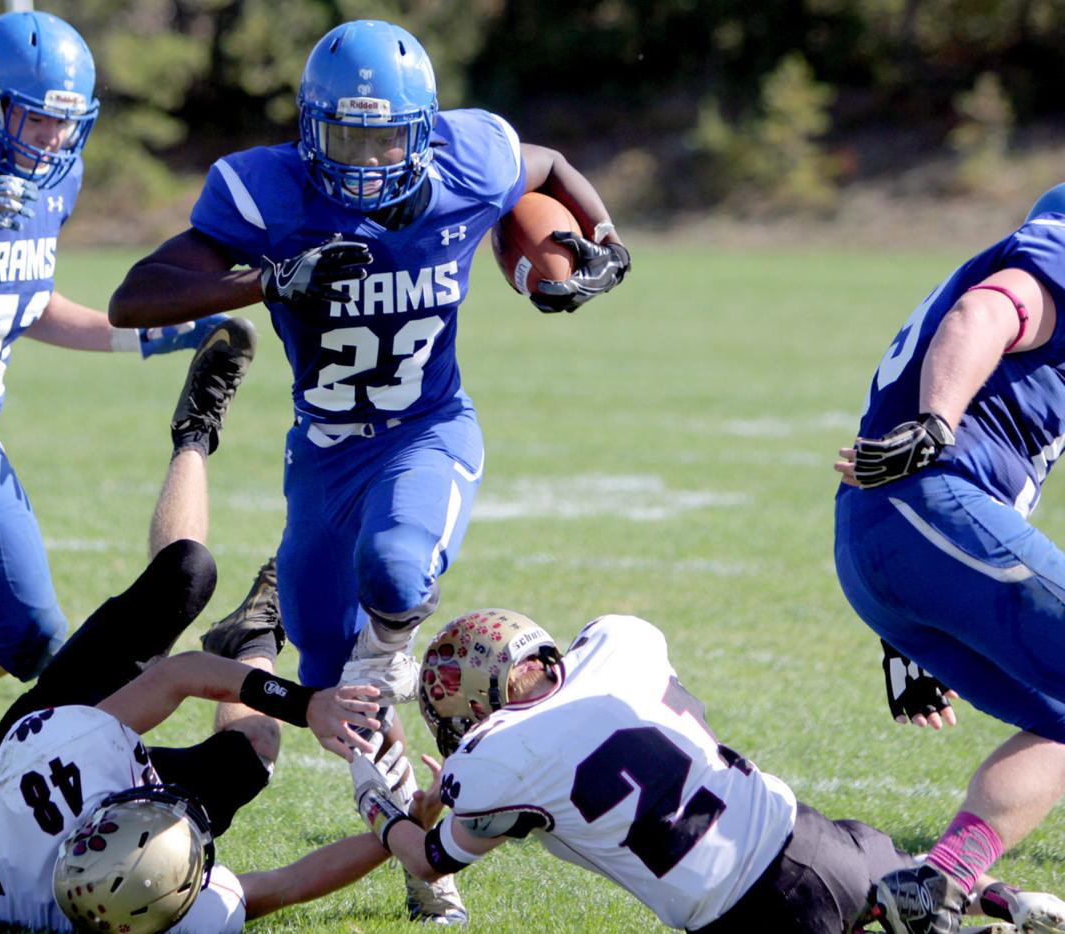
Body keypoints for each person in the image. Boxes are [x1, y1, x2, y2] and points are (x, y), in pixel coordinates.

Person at [107, 18, 630, 922]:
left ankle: (429, 846)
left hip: (428, 429)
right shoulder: (268, 190)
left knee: (393, 574)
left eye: (390, 134)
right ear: (310, 129)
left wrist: (603, 235)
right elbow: (134, 296)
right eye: (348, 136)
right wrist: (267, 281)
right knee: (330, 682)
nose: (371, 158)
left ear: (425, 128)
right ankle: (411, 838)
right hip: (324, 456)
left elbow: (541, 166)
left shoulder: (468, 157)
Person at [0, 11, 229, 881]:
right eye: (33, 116)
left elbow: (28, 302)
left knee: (30, 637)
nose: (51, 135)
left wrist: (143, 339)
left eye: (66, 119)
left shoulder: (50, 179)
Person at [0, 316, 402, 933]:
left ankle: (195, 430)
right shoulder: (176, 911)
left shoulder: (82, 749)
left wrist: (306, 706)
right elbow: (282, 886)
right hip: (73, 811)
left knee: (185, 574)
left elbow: (183, 675)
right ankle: (253, 634)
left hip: (38, 741)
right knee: (254, 751)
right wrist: (414, 829)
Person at [347, 609, 1065, 934]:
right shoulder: (619, 644)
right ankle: (997, 901)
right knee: (890, 880)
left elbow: (432, 858)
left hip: (745, 914)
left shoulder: (497, 758)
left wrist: (389, 807)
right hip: (810, 837)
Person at [832, 186, 1065, 932]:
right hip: (927, 506)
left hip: (901, 540)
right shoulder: (1055, 256)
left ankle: (937, 883)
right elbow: (985, 312)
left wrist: (905, 630)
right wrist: (936, 424)